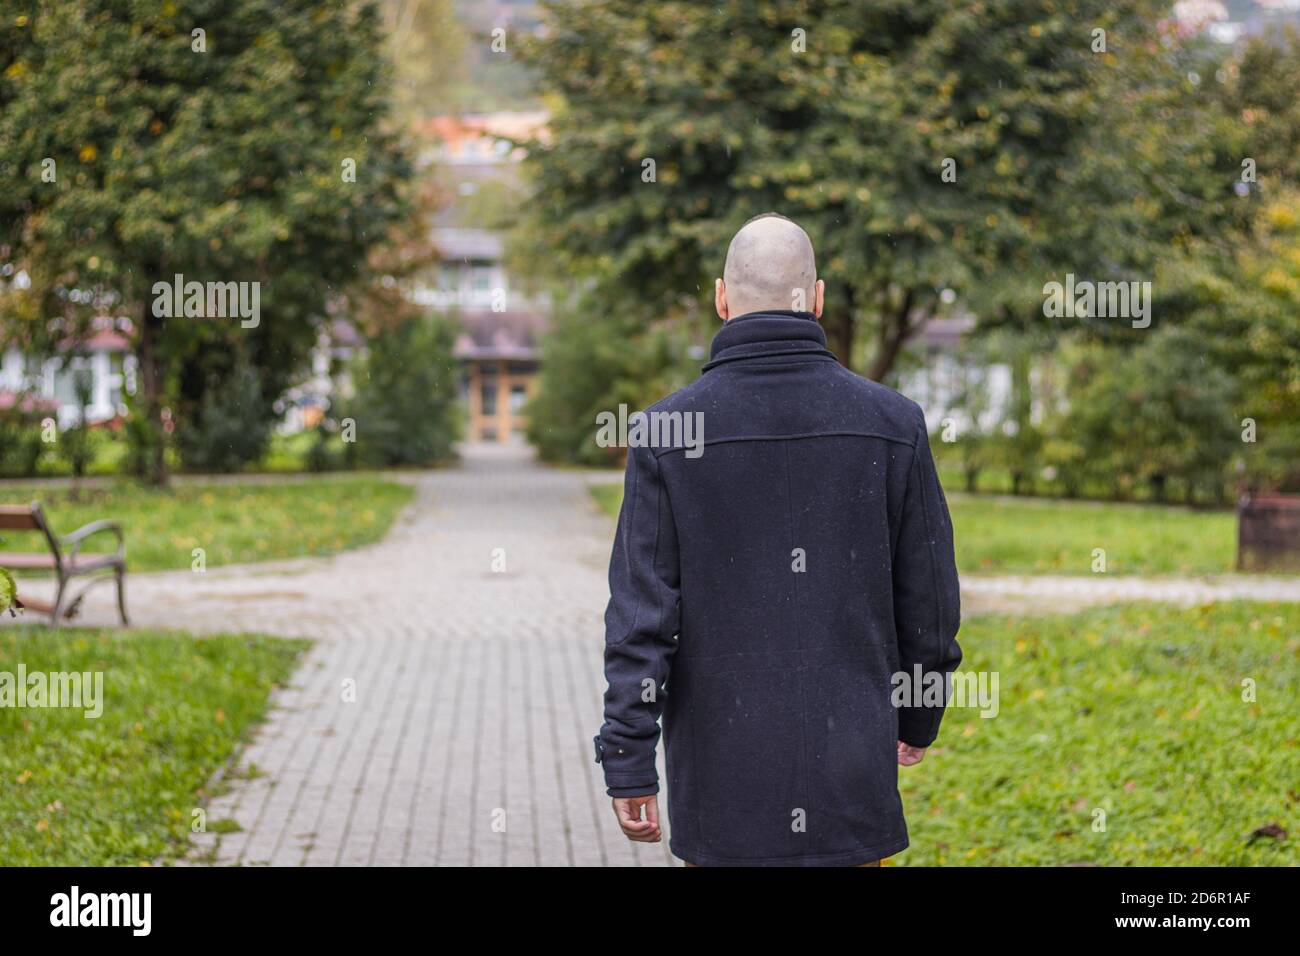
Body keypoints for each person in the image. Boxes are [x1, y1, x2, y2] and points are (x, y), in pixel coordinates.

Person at [594, 212, 963, 867]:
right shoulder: (894, 424)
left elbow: (640, 619)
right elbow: (929, 602)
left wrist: (628, 758)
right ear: (816, 299)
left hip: (719, 787)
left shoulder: (663, 433)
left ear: (721, 297)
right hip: (849, 778)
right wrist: (917, 715)